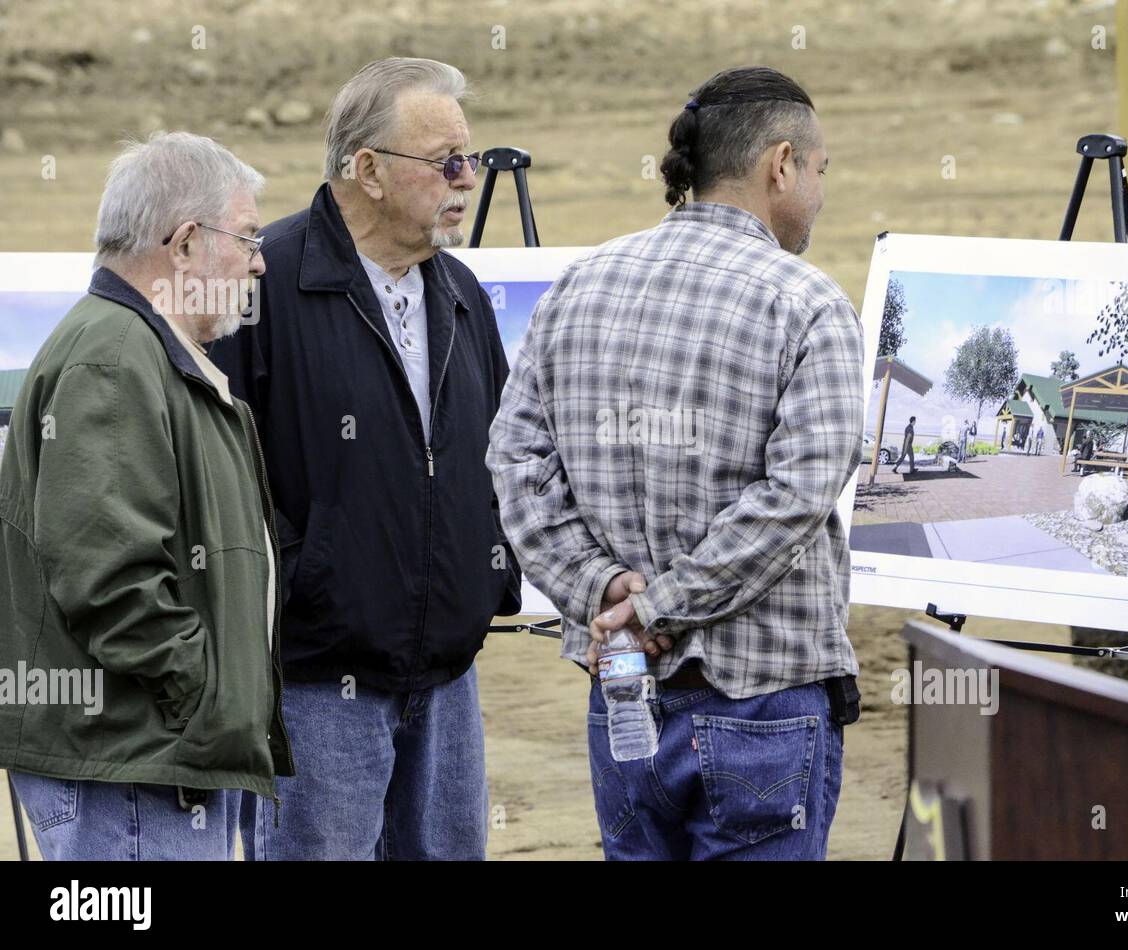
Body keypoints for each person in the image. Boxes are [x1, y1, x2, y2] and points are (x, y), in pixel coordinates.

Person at [488, 66, 863, 860]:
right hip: (760, 704)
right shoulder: (808, 303)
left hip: (622, 694)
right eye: (821, 172)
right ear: (782, 163)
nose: (821, 194)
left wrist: (605, 590)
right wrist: (658, 606)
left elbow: (515, 461)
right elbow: (796, 497)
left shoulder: (578, 285)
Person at [210, 58, 521, 860]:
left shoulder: (460, 292)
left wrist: (489, 579)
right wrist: (308, 583)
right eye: (445, 159)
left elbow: (501, 456)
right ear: (369, 170)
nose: (466, 177)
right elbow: (210, 478)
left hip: (447, 676)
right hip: (319, 681)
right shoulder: (261, 283)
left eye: (472, 157)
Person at [0, 132, 291, 859]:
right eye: (248, 237)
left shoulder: (144, 350)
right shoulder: (114, 354)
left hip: (147, 758)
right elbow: (108, 574)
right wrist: (201, 700)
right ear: (187, 243)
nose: (260, 260)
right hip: (133, 767)